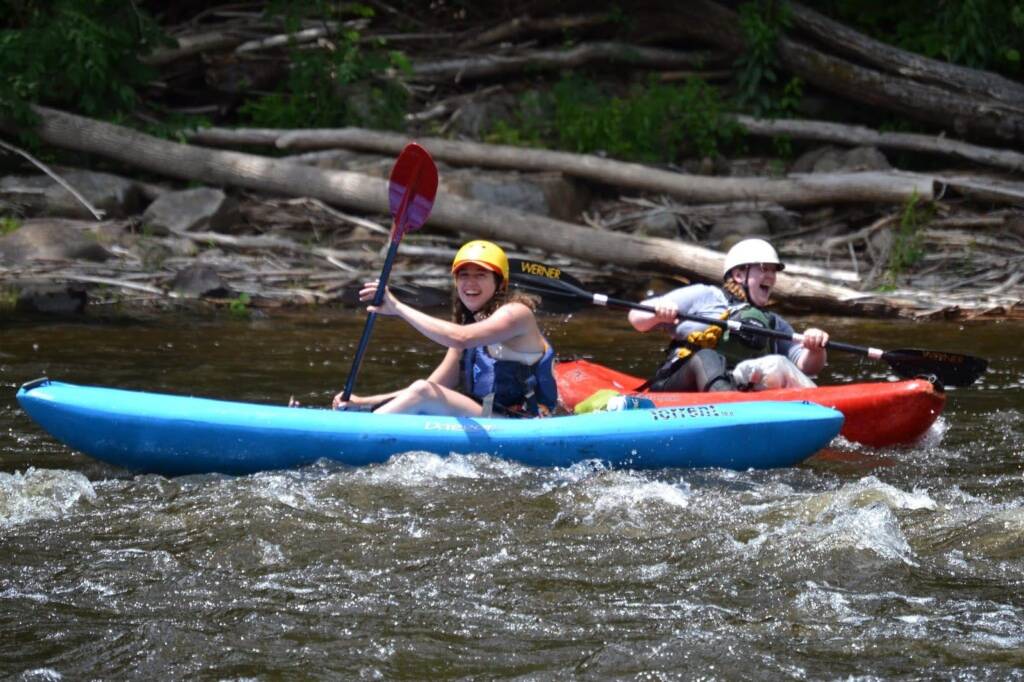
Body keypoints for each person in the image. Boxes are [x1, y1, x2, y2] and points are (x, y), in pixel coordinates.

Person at [333, 240, 558, 416]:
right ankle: (366, 421)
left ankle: (359, 432)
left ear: (500, 283)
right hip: (490, 416)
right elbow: (432, 387)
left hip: (522, 422)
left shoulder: (516, 313)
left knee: (424, 391)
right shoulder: (469, 328)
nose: (470, 284)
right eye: (463, 275)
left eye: (480, 275)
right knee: (423, 389)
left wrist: (398, 307)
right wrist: (364, 402)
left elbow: (459, 339)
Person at [627, 238, 829, 392]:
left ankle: (827, 414)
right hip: (679, 386)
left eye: (773, 271)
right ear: (739, 274)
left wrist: (815, 349)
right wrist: (660, 311)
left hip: (738, 391)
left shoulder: (773, 323)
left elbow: (806, 367)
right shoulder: (706, 295)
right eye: (763, 269)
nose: (771, 276)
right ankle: (727, 399)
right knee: (705, 356)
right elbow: (637, 318)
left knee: (779, 364)